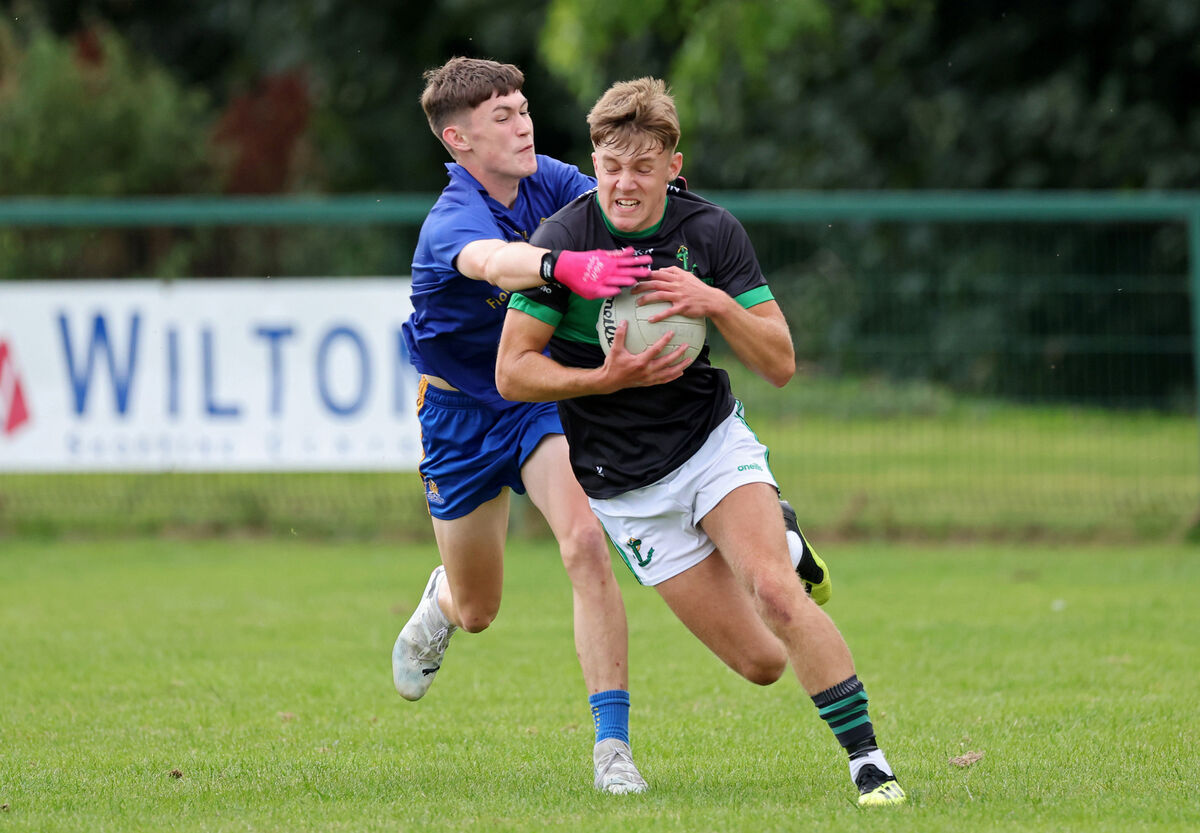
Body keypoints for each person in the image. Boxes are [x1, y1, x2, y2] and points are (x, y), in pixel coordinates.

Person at [495, 77, 906, 807]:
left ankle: (869, 761)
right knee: (760, 662)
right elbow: (512, 371)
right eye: (612, 166)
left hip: (710, 442)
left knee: (778, 594)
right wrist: (605, 378)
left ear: (672, 167)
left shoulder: (709, 232)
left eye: (643, 167)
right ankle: (783, 535)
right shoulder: (563, 242)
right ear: (594, 163)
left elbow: (779, 362)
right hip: (624, 487)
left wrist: (713, 301)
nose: (625, 184)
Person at [392, 57, 653, 795]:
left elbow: (617, 199)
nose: (522, 123)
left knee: (584, 542)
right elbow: (493, 261)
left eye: (523, 107)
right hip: (459, 418)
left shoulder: (551, 179)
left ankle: (612, 749)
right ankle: (442, 599)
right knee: (479, 610)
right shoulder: (452, 219)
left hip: (536, 397)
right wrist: (561, 266)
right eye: (500, 116)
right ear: (459, 139)